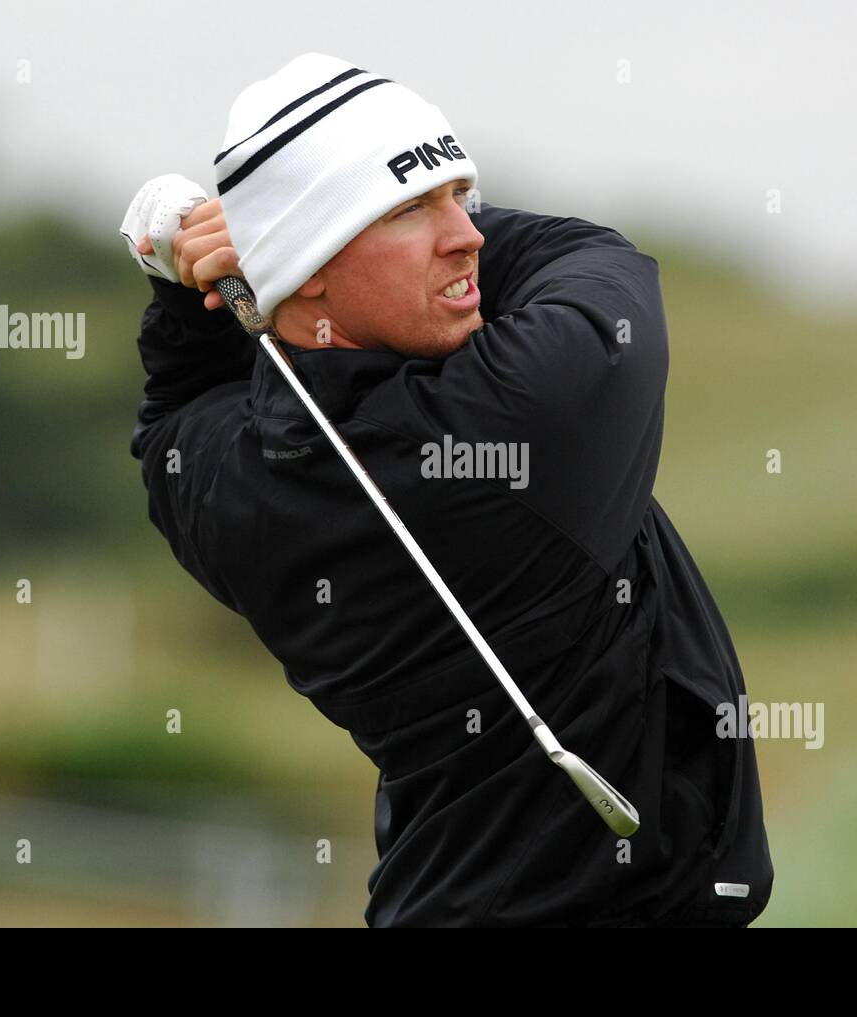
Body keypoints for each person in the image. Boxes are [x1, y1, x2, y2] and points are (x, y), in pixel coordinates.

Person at [121, 52, 773, 927]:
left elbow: (176, 406)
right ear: (310, 265)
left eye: (460, 195)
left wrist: (195, 282)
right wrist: (236, 254)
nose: (465, 233)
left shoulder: (227, 484)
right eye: (407, 209)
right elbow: (592, 260)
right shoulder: (521, 415)